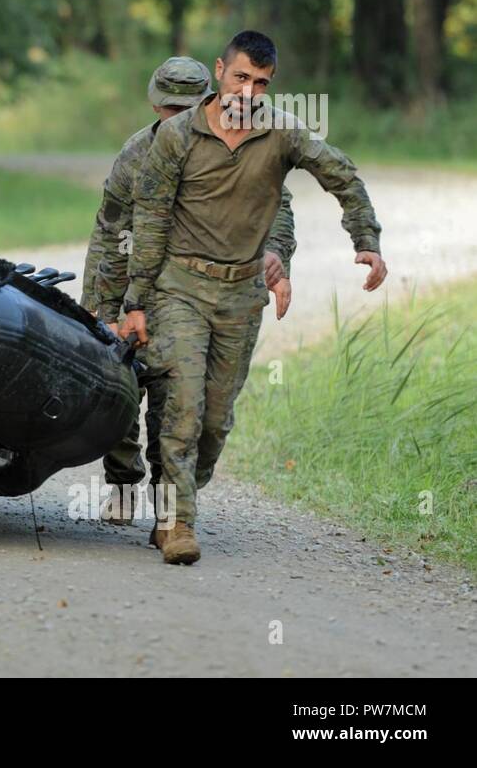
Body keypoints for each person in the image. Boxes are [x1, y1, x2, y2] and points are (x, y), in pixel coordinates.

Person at [118, 31, 386, 563]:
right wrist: (136, 303)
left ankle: (176, 496)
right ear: (219, 71)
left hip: (241, 293)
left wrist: (367, 241)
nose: (248, 91)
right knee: (184, 408)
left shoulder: (282, 133)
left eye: (261, 83)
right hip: (180, 288)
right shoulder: (177, 136)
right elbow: (149, 221)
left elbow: (343, 176)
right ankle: (177, 524)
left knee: (215, 422)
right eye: (240, 77)